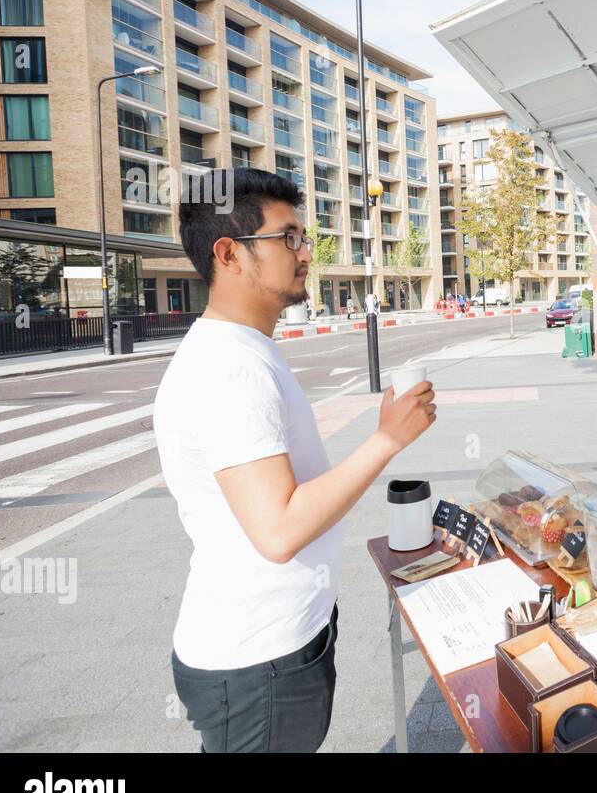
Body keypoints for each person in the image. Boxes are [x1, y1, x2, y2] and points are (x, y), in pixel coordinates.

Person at [154, 168, 436, 752]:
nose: (306, 252)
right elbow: (278, 530)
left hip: (274, 645)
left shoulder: (242, 349)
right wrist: (387, 440)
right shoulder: (230, 368)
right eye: (288, 238)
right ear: (228, 253)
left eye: (303, 237)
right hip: (258, 661)